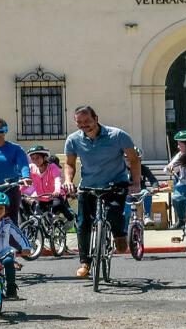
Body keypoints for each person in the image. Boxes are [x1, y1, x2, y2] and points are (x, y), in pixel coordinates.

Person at [63, 105, 141, 277]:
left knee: (114, 213)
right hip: (89, 185)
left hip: (115, 183)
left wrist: (135, 183)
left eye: (87, 121)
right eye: (80, 122)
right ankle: (85, 262)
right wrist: (68, 181)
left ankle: (119, 234)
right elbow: (69, 163)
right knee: (83, 223)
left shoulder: (118, 135)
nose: (84, 125)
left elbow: (134, 160)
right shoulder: (73, 140)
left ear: (96, 118)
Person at [23, 145, 72, 224]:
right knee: (37, 216)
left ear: (45, 157)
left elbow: (57, 179)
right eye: (32, 158)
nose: (35, 160)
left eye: (37, 157)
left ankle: (70, 217)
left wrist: (57, 191)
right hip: (41, 198)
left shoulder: (53, 167)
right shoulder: (32, 168)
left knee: (59, 207)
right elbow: (24, 181)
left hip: (55, 197)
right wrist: (20, 191)